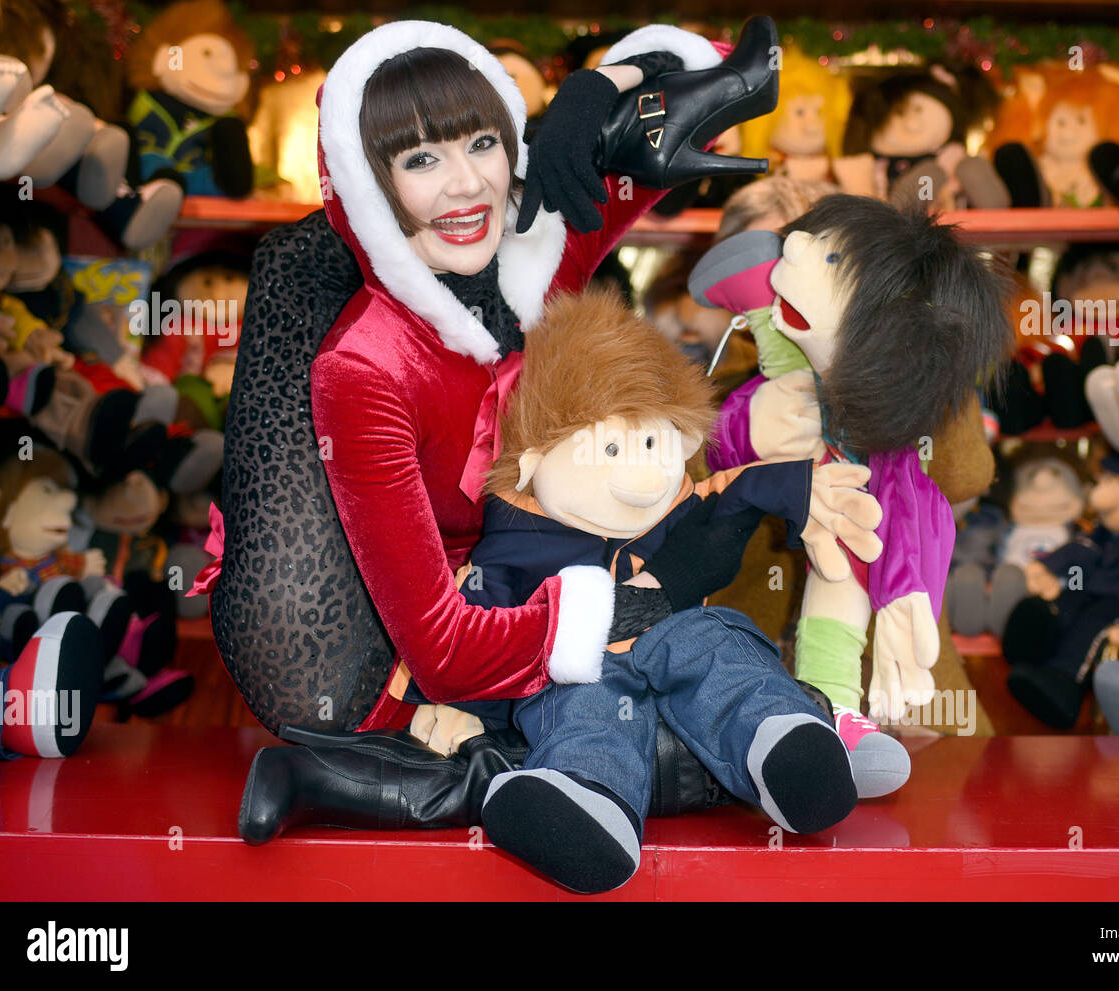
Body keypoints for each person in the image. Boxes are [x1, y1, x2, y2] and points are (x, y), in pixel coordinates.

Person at [216, 19, 884, 840]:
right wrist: (628, 605)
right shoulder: (365, 367)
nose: (467, 187)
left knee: (704, 673)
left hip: (575, 590)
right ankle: (544, 787)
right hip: (456, 648)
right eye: (421, 160)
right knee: (652, 713)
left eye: (483, 143)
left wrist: (595, 96)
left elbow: (712, 83)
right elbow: (442, 649)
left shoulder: (537, 256)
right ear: (372, 185)